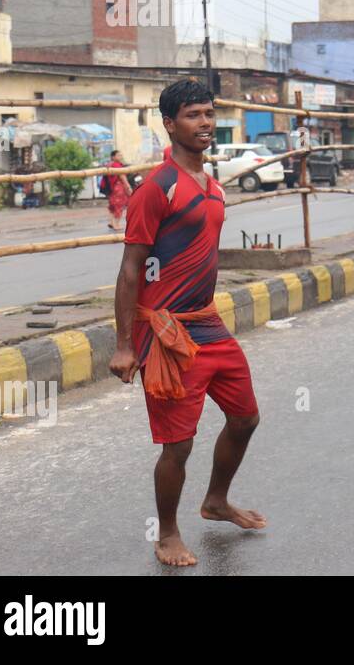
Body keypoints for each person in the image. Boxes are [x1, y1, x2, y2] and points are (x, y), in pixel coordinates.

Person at [108, 79, 264, 568]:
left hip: (208, 324)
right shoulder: (156, 189)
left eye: (209, 114)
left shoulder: (213, 186)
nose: (205, 123)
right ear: (170, 124)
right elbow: (130, 269)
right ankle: (168, 533)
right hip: (167, 334)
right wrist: (124, 344)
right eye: (194, 115)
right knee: (178, 443)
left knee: (245, 417)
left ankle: (216, 501)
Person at [102, 149, 132, 230]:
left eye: (121, 155)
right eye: (119, 155)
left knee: (112, 206)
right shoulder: (117, 165)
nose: (121, 156)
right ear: (113, 157)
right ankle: (116, 224)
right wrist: (128, 187)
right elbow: (122, 177)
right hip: (119, 188)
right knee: (120, 206)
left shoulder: (109, 165)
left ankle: (112, 222)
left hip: (112, 189)